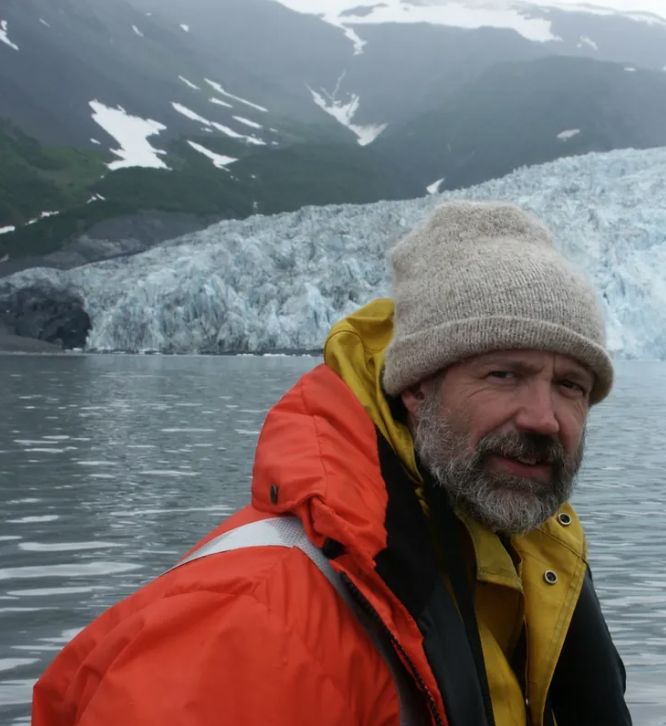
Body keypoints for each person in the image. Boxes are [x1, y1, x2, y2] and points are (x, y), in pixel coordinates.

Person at [31, 200, 632, 726]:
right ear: (416, 389)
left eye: (572, 386)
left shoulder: (527, 573)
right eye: (504, 374)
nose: (544, 418)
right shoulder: (250, 617)